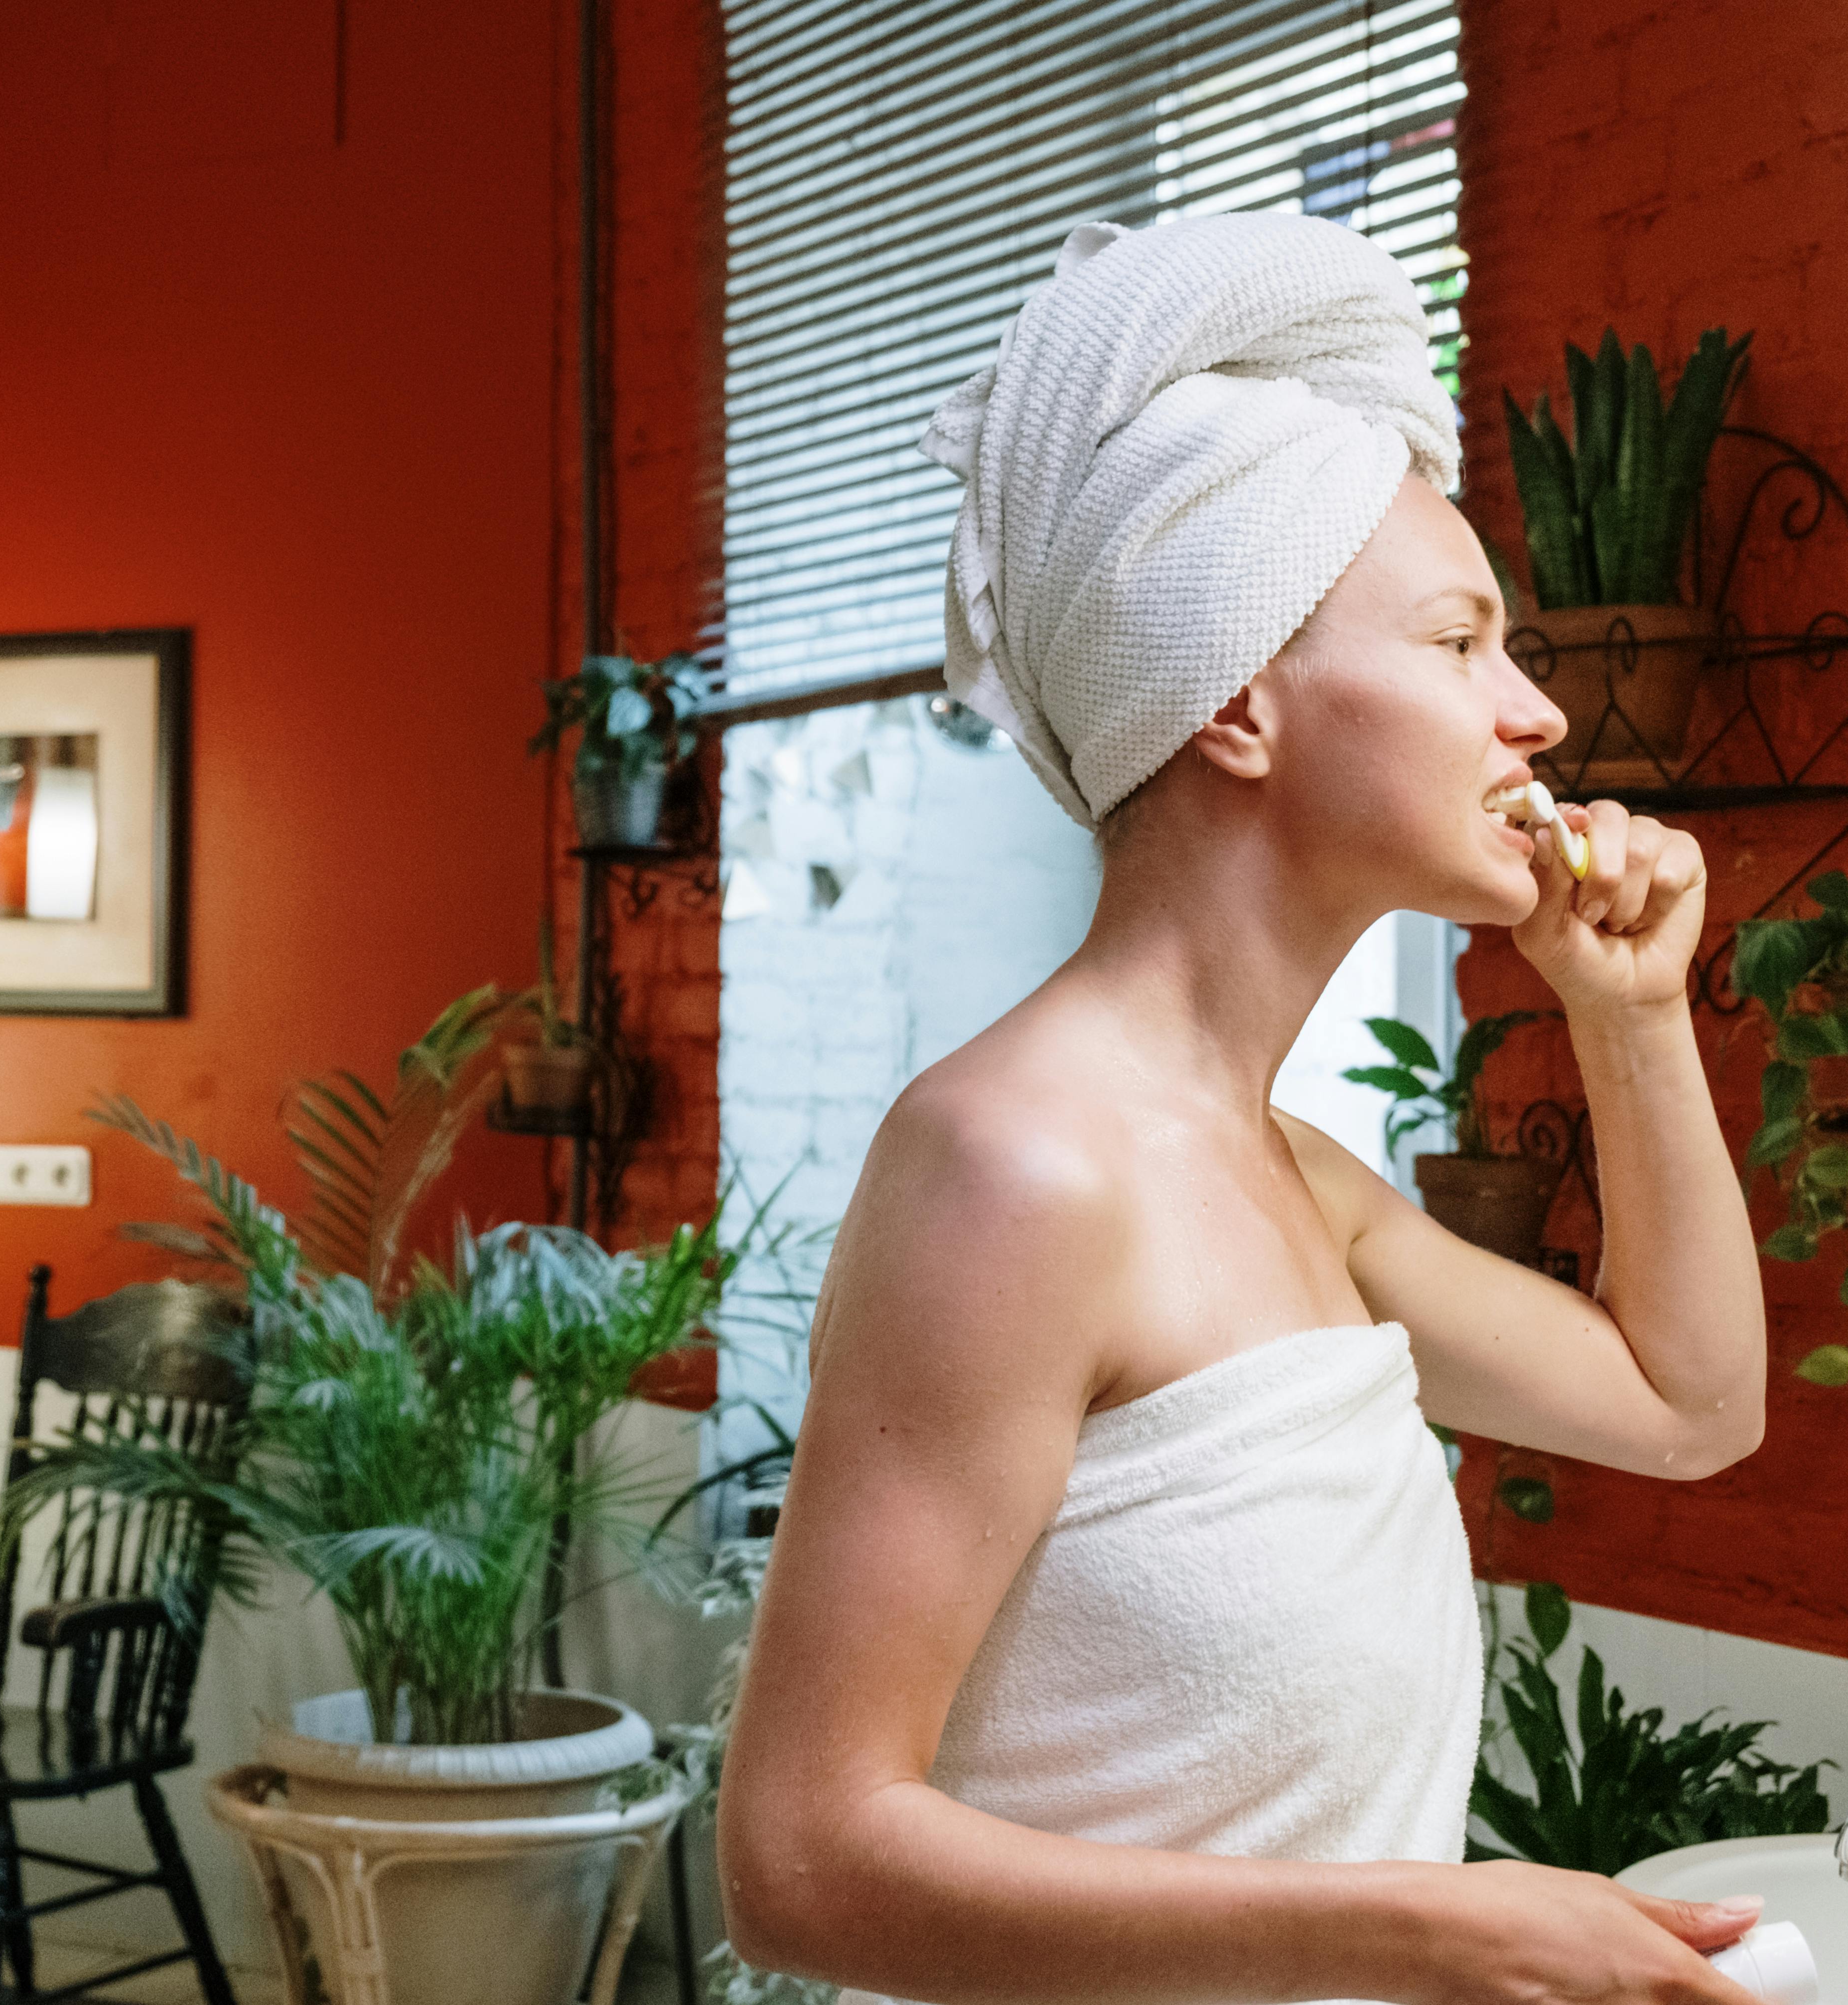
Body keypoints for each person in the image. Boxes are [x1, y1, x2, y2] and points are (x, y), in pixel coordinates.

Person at [715, 213, 1771, 2005]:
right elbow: (803, 1858)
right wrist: (1430, 1923)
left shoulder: (1301, 1184)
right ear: (1233, 701)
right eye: (1454, 641)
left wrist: (1633, 1010)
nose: (1529, 710)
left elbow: (1687, 1407)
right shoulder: (1014, 1170)